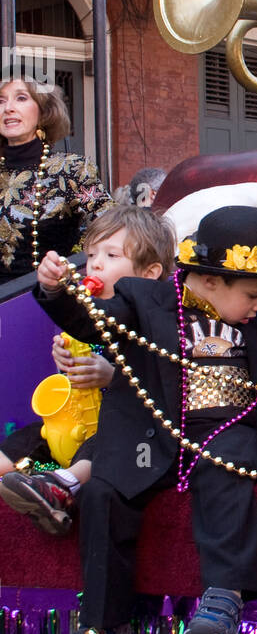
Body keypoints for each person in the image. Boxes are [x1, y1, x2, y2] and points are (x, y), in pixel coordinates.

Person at [35, 205, 257, 634]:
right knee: (105, 491)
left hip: (228, 430)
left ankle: (224, 594)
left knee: (226, 463)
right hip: (156, 435)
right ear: (210, 280)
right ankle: (105, 627)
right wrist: (54, 290)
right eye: (253, 294)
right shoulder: (142, 299)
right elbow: (91, 321)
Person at [0, 205, 175, 535]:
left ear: (149, 273)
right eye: (91, 253)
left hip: (132, 434)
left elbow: (163, 383)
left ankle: (63, 486)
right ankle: (16, 479)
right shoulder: (85, 314)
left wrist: (112, 376)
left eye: (111, 255)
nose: (94, 263)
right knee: (30, 436)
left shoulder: (155, 321)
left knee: (105, 441)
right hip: (80, 422)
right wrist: (64, 362)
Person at [0, 76, 111, 278]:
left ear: (43, 111)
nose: (8, 108)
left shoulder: (71, 170)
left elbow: (114, 229)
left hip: (44, 301)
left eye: (21, 98)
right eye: (1, 100)